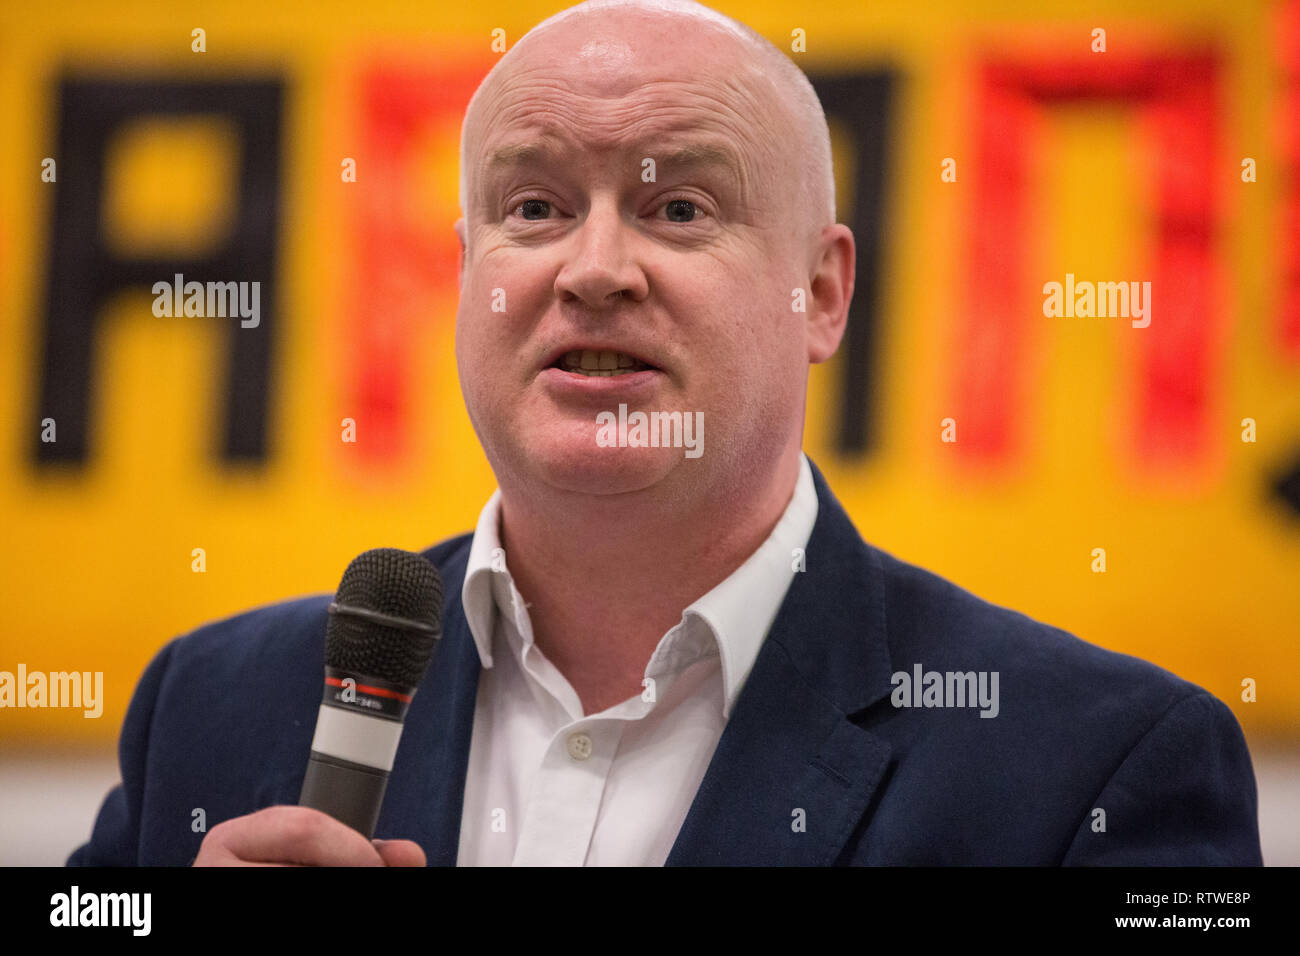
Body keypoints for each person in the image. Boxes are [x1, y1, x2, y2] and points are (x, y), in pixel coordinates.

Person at [69, 0, 1262, 866]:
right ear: (466, 274)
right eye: (533, 207)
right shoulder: (215, 703)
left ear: (824, 293)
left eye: (678, 206)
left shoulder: (1099, 764)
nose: (594, 270)